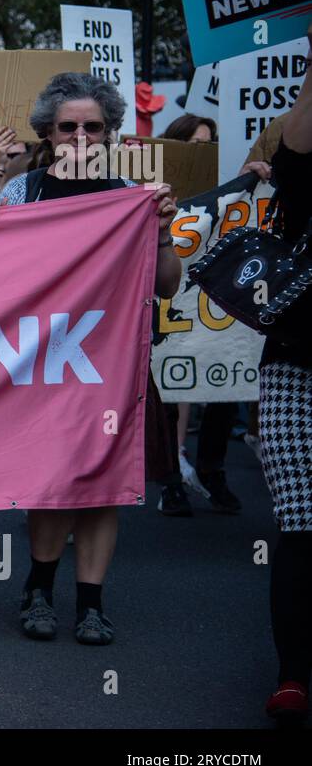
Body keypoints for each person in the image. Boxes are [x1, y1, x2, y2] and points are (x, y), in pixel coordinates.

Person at [0, 72, 181, 645]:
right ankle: (40, 589)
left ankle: (91, 604)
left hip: (112, 362)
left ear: (110, 133)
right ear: (48, 133)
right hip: (47, 360)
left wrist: (165, 233)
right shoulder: (22, 192)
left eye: (92, 126)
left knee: (104, 480)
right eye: (68, 126)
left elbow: (168, 287)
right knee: (52, 481)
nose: (80, 135)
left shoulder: (132, 195)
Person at [255, 38, 312, 722]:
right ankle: (293, 675)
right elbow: (296, 155)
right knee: (300, 523)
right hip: (297, 364)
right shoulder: (300, 175)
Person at [151, 114, 242, 518]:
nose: (205, 151)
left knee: (228, 382)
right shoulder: (153, 191)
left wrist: (248, 178)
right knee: (168, 391)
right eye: (195, 144)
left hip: (212, 300)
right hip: (171, 299)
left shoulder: (225, 190)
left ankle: (210, 468)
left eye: (211, 143)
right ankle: (171, 481)